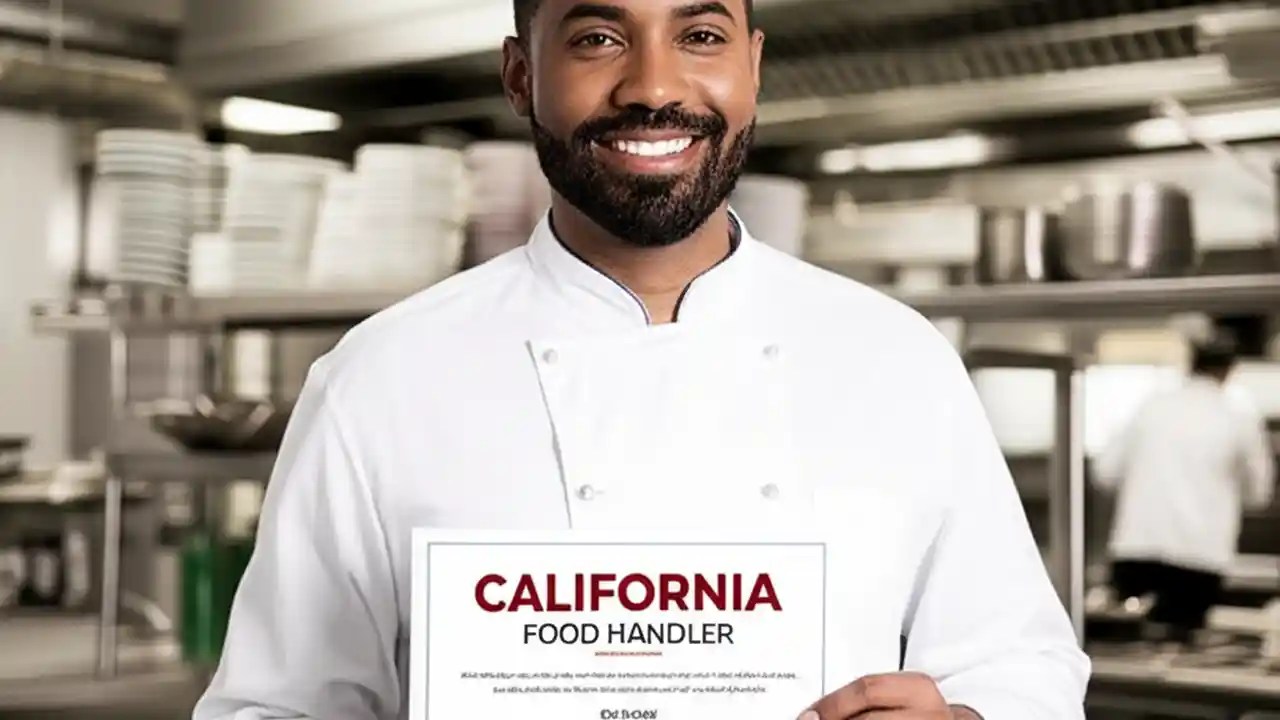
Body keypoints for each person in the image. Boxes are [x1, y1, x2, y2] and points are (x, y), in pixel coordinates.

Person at [192, 0, 1090, 718]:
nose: (654, 86)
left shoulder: (898, 357)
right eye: (596, 36)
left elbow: (1023, 666)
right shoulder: (378, 377)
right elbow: (273, 705)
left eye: (700, 34)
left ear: (753, 67)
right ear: (519, 75)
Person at [1095, 338, 1276, 647]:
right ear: (1230, 370)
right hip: (1197, 560)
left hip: (1136, 552)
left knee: (1123, 652)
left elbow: (1104, 471)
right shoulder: (1238, 415)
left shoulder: (1151, 404)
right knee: (1177, 652)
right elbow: (1258, 493)